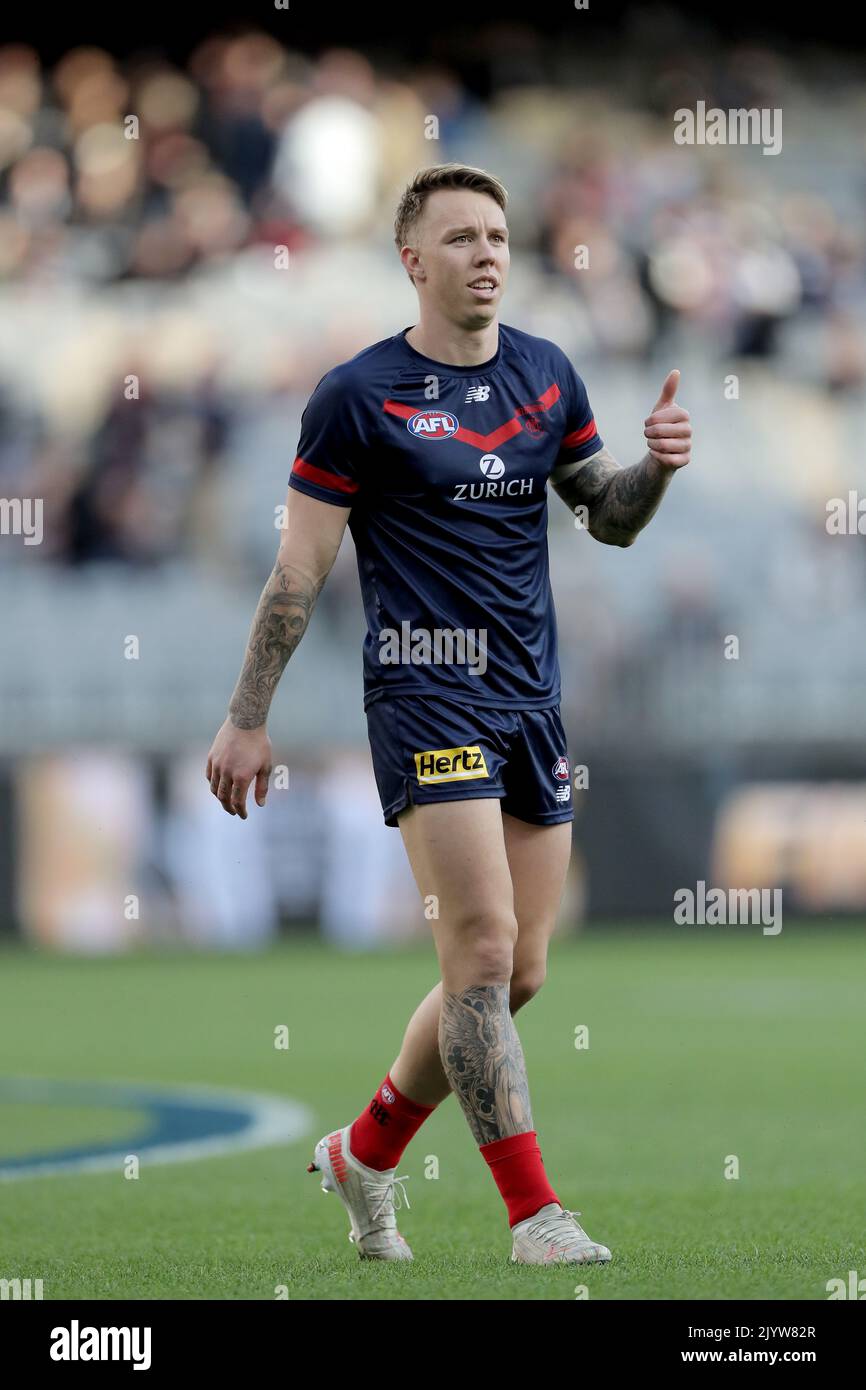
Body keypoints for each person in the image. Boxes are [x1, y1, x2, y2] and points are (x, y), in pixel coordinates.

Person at [205, 163, 692, 1265]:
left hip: (531, 697)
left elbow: (604, 517)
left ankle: (364, 1153)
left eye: (498, 236)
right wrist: (247, 716)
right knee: (475, 948)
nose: (486, 254)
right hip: (425, 690)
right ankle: (533, 1213)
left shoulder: (545, 373)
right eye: (461, 238)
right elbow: (297, 572)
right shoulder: (355, 395)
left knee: (516, 973)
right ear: (412, 262)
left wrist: (654, 474)